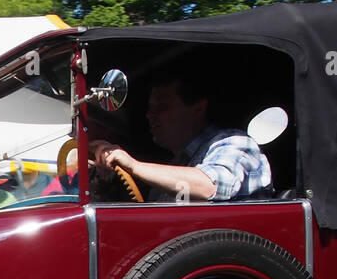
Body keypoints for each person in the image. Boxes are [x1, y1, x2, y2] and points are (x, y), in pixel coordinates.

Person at [88, 72, 272, 202]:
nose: (150, 115)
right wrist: (103, 185)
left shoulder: (235, 143)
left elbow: (210, 186)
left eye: (161, 106)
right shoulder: (176, 164)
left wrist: (134, 166)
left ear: (198, 109)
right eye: (150, 108)